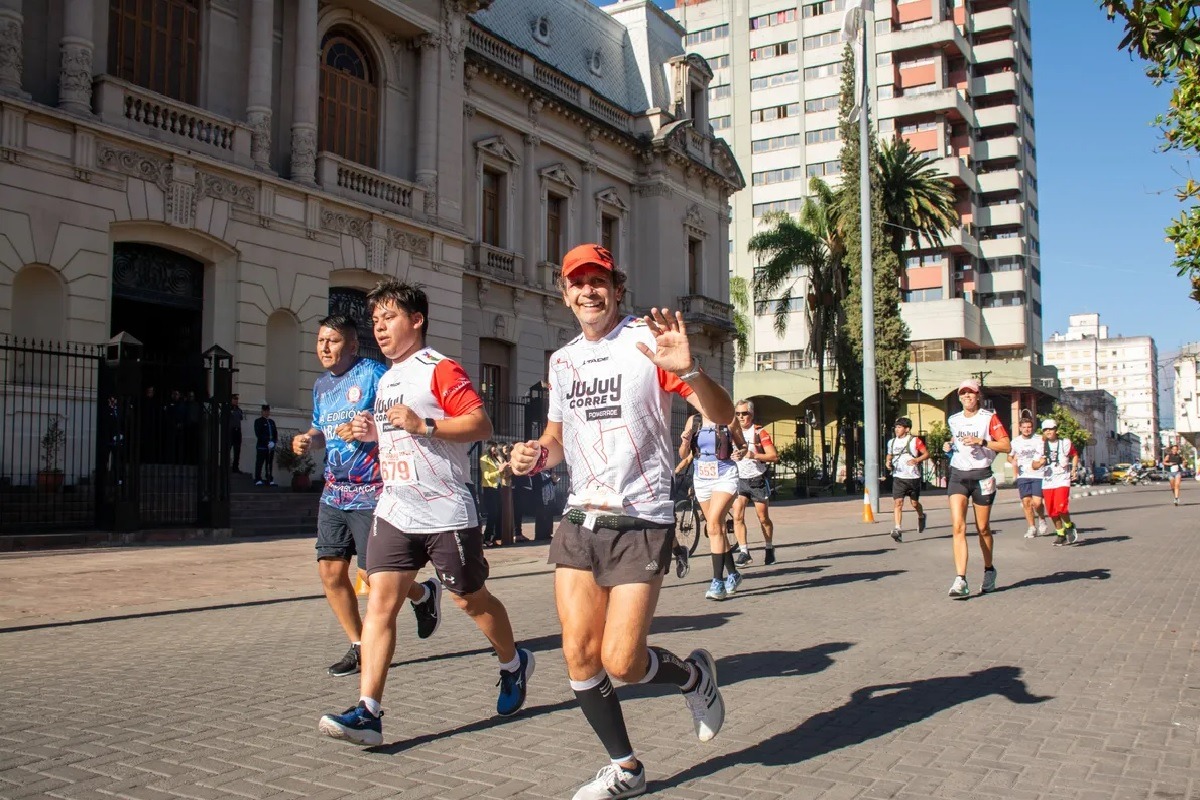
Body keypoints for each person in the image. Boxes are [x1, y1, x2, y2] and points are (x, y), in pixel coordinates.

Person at [509, 243, 728, 800]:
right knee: (579, 654)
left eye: (598, 280)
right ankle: (626, 767)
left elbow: (721, 415)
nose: (589, 290)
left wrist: (693, 370)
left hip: (641, 518)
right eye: (577, 282)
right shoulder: (561, 361)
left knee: (623, 662)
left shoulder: (647, 343)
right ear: (564, 293)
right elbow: (557, 439)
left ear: (616, 289)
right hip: (580, 517)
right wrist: (535, 453)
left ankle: (693, 676)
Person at [318, 280, 532, 747]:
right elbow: (400, 438)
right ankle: (369, 712)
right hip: (395, 507)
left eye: (389, 318)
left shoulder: (440, 368)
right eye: (375, 321)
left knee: (469, 600)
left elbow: (481, 423)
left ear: (416, 320)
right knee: (379, 602)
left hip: (445, 509)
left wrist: (425, 424)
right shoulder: (386, 379)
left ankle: (514, 662)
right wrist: (372, 432)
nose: (380, 328)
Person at [293, 314, 439, 678]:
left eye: (334, 341)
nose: (325, 347)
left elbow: (398, 418)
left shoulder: (376, 374)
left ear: (353, 345)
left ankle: (422, 595)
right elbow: (320, 428)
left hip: (373, 491)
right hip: (334, 492)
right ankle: (360, 645)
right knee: (330, 572)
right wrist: (309, 439)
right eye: (321, 341)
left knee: (375, 578)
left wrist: (367, 427)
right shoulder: (321, 386)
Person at [942, 379, 1010, 598]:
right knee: (958, 527)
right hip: (958, 476)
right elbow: (957, 444)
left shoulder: (988, 418)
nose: (967, 397)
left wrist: (982, 442)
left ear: (978, 396)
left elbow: (1006, 445)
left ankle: (989, 569)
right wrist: (949, 447)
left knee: (983, 528)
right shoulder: (954, 420)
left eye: (971, 393)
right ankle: (960, 579)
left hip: (982, 475)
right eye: (963, 394)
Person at [679, 412, 746, 600]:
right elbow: (683, 454)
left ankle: (718, 582)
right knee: (717, 529)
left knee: (714, 525)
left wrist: (740, 452)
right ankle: (733, 574)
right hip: (702, 479)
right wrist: (685, 441)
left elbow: (742, 446)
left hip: (725, 476)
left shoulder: (728, 418)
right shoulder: (694, 421)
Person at [730, 400, 779, 565]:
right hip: (738, 479)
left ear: (751, 414)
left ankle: (769, 547)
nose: (741, 417)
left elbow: (773, 456)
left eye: (745, 413)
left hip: (757, 479)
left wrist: (753, 455)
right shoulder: (731, 431)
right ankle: (744, 552)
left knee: (763, 517)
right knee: (737, 515)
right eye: (738, 414)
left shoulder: (759, 432)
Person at [884, 417, 929, 543]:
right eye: (896, 427)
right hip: (898, 477)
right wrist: (888, 461)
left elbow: (926, 454)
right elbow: (890, 454)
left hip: (913, 477)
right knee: (898, 503)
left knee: (914, 503)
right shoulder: (891, 442)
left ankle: (921, 516)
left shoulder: (915, 441)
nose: (897, 429)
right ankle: (897, 528)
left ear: (907, 429)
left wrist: (916, 460)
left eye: (900, 427)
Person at [1007, 412, 1050, 539]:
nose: (1027, 429)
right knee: (1026, 502)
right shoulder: (1015, 442)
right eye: (1024, 427)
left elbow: (1046, 452)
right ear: (1020, 428)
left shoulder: (1039, 439)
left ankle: (1042, 519)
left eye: (1029, 427)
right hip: (1023, 475)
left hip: (1038, 474)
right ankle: (1031, 527)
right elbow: (1009, 456)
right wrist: (1012, 461)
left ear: (1032, 428)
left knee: (1037, 502)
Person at [1040, 419, 1080, 546]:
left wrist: (1074, 469)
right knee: (1052, 511)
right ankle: (1060, 533)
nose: (1048, 432)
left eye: (1051, 429)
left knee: (1061, 507)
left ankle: (1069, 525)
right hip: (1047, 481)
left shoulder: (1065, 443)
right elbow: (1034, 464)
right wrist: (1038, 464)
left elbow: (1074, 455)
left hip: (1062, 479)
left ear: (1056, 430)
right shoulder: (1040, 445)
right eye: (1046, 430)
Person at [479, 441, 503, 545]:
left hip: (498, 487)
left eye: (496, 447)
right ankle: (486, 538)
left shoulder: (495, 458)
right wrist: (499, 471)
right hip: (489, 488)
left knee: (498, 513)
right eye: (493, 447)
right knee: (492, 514)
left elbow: (502, 468)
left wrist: (500, 458)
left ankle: (495, 537)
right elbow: (487, 476)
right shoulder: (484, 459)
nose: (495, 449)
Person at [253, 404, 278, 486]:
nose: (266, 413)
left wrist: (273, 442)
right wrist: (267, 442)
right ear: (262, 412)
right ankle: (258, 479)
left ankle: (269, 478)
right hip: (262, 447)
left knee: (269, 463)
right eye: (265, 411)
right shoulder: (258, 421)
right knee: (260, 463)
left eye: (268, 411)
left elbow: (275, 433)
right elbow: (259, 434)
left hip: (271, 447)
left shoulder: (271, 422)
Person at [229, 393, 245, 473]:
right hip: (230, 431)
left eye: (237, 399)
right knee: (228, 448)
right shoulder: (228, 409)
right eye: (234, 399)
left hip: (237, 431)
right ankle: (226, 466)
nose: (236, 401)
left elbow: (241, 418)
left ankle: (235, 467)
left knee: (237, 450)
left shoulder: (239, 410)